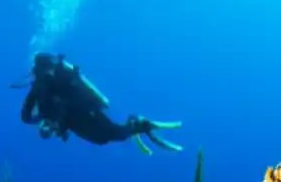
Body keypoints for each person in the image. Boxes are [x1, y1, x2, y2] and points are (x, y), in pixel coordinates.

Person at [18, 53, 183, 153]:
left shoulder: (41, 95)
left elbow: (27, 116)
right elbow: (30, 116)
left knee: (111, 135)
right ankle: (139, 124)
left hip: (84, 113)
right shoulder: (44, 98)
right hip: (82, 116)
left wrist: (44, 120)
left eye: (45, 128)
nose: (48, 128)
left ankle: (141, 124)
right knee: (108, 137)